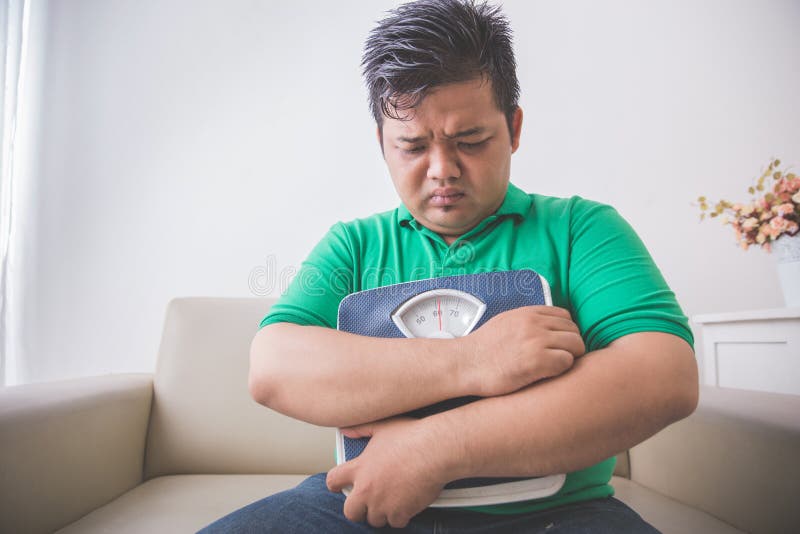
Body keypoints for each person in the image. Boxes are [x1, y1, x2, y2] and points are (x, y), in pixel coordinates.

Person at [200, 0, 698, 532]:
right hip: (364, 505)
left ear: (514, 128)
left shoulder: (581, 229)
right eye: (412, 146)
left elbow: (662, 375)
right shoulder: (353, 246)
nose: (443, 170)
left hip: (560, 512)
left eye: (471, 141)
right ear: (382, 145)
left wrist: (435, 449)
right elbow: (274, 366)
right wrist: (474, 360)